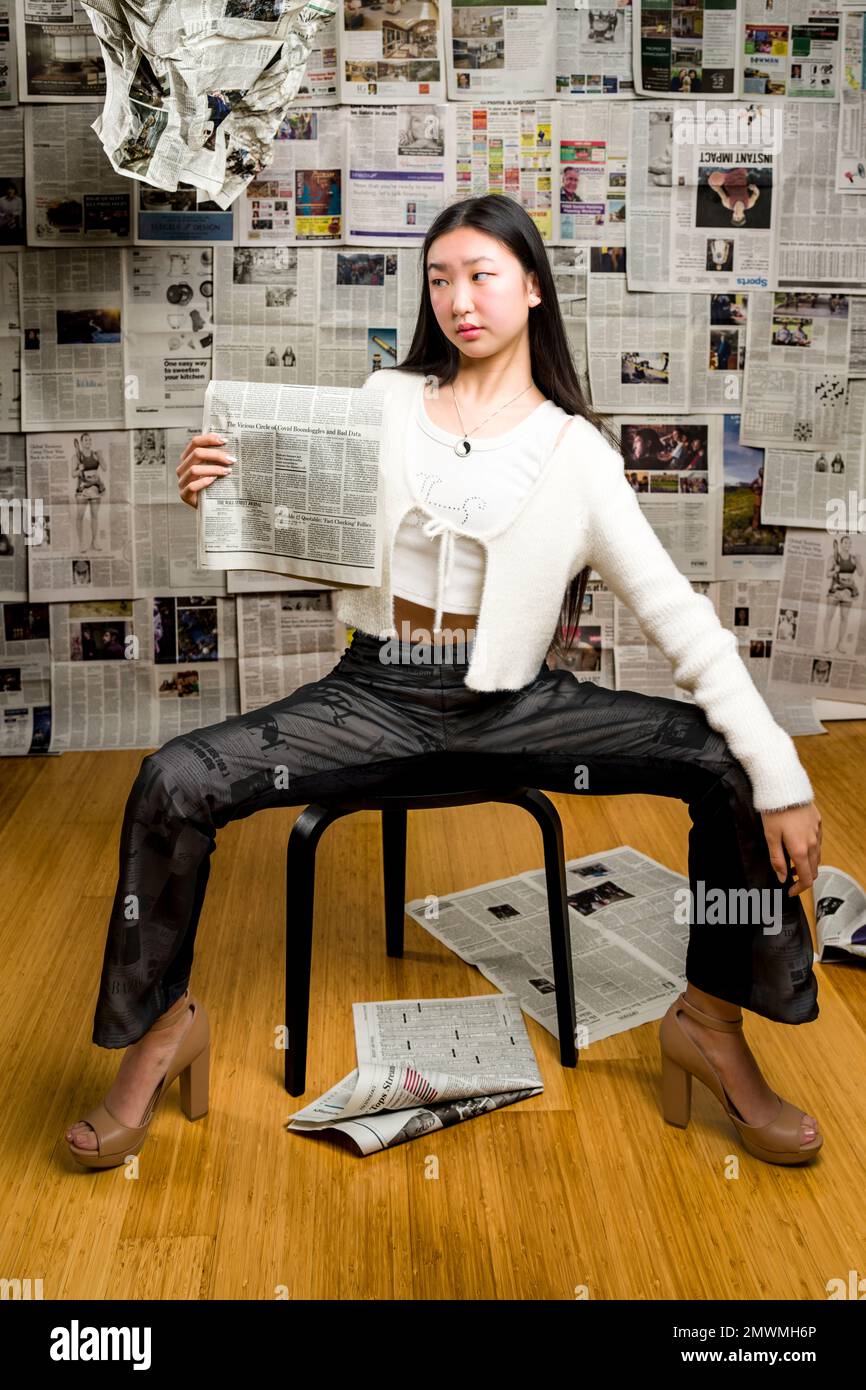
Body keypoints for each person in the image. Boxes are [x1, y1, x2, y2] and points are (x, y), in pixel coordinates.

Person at [66, 193, 823, 1169]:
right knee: (173, 776)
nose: (459, 298)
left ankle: (710, 1026)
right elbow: (312, 538)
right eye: (440, 278)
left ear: (531, 288)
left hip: (517, 704)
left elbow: (677, 615)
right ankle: (161, 1033)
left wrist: (783, 775)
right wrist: (218, 491)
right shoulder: (386, 402)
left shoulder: (573, 455)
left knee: (728, 764)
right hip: (373, 693)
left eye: (481, 275)